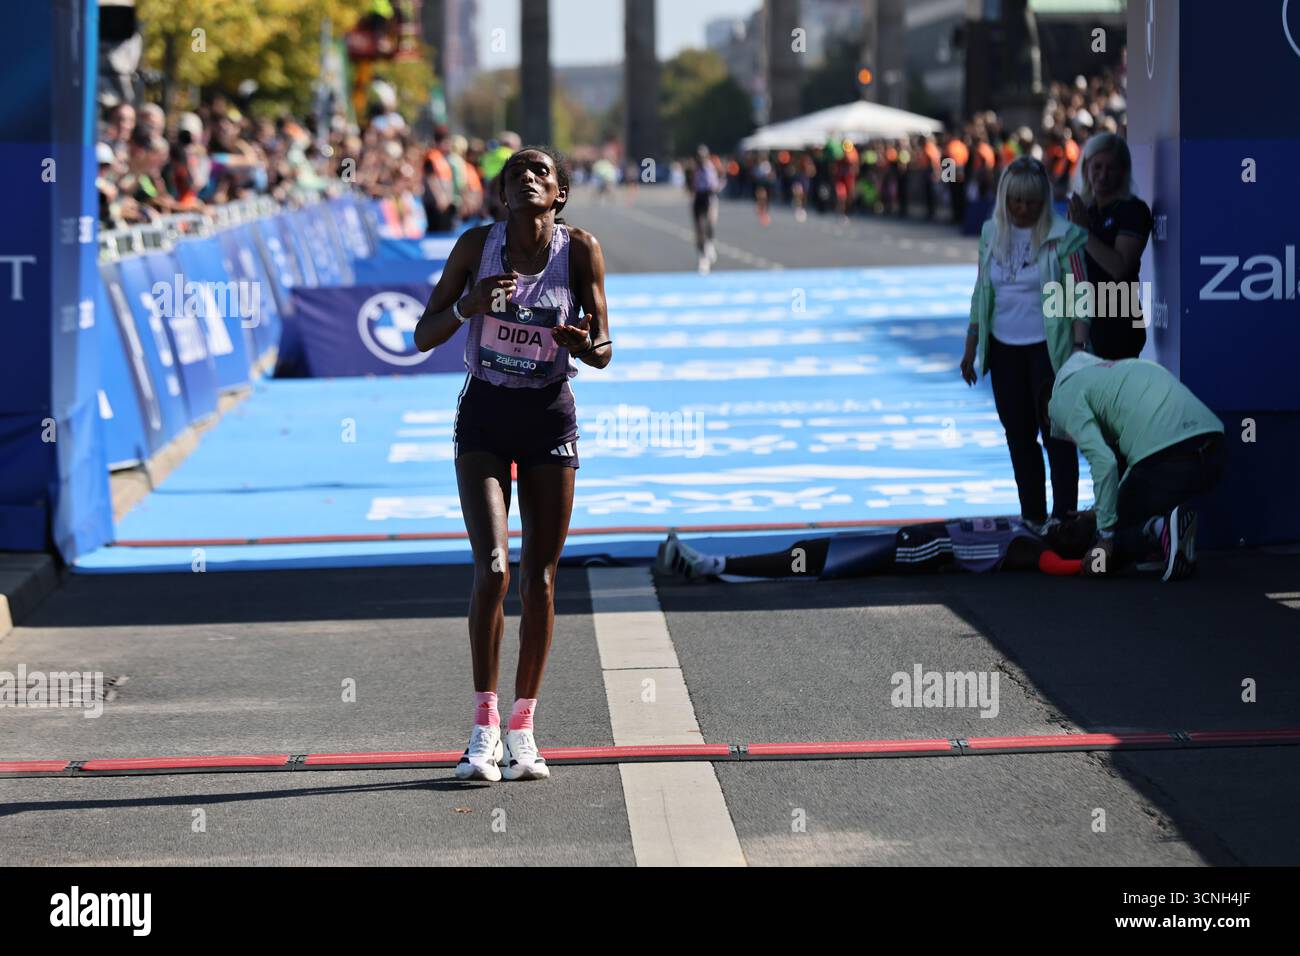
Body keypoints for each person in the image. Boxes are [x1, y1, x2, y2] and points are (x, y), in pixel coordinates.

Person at [413, 145, 612, 782]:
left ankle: (524, 727)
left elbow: (605, 349)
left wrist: (585, 343)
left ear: (559, 194)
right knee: (494, 570)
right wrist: (470, 305)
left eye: (541, 172)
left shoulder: (579, 251)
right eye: (515, 174)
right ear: (502, 194)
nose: (527, 178)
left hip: (549, 416)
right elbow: (423, 333)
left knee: (541, 580)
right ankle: (483, 727)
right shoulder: (477, 246)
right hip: (486, 418)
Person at [961, 155, 1091, 536]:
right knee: (1018, 434)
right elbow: (980, 293)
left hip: (1049, 350)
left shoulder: (1065, 236)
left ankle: (1064, 516)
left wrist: (1079, 350)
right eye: (1016, 201)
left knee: (1057, 434)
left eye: (1033, 202)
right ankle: (1032, 515)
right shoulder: (990, 234)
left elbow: (1081, 295)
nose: (1023, 209)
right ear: (1004, 199)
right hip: (1003, 350)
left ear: (1044, 201)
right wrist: (971, 348)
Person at [1042, 353, 1225, 582]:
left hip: (1170, 457)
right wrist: (1103, 510)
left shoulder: (1059, 400)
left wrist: (1105, 537)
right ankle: (1161, 547)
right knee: (1121, 509)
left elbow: (1104, 463)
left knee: (1100, 562)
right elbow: (1136, 475)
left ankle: (1158, 529)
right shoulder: (1122, 371)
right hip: (1213, 453)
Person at [656, 512, 1096, 582]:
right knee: (810, 549)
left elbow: (1057, 565)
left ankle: (711, 563)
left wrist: (1091, 563)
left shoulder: (1028, 545)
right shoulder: (1033, 526)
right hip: (914, 538)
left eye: (1082, 524)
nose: (1073, 518)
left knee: (811, 560)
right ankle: (712, 562)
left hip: (918, 551)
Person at [1066, 133, 1153, 359]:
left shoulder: (1133, 210)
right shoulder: (1085, 210)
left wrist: (1083, 232)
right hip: (1083, 324)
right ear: (1086, 168)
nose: (1102, 175)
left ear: (1123, 171)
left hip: (1119, 325)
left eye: (1111, 168)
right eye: (1097, 167)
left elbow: (1119, 267)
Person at [689, 145, 721, 273]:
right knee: (699, 228)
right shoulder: (695, 169)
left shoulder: (710, 168)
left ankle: (709, 246)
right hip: (699, 198)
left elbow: (715, 185)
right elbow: (692, 185)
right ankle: (702, 256)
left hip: (709, 199)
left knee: (708, 225)